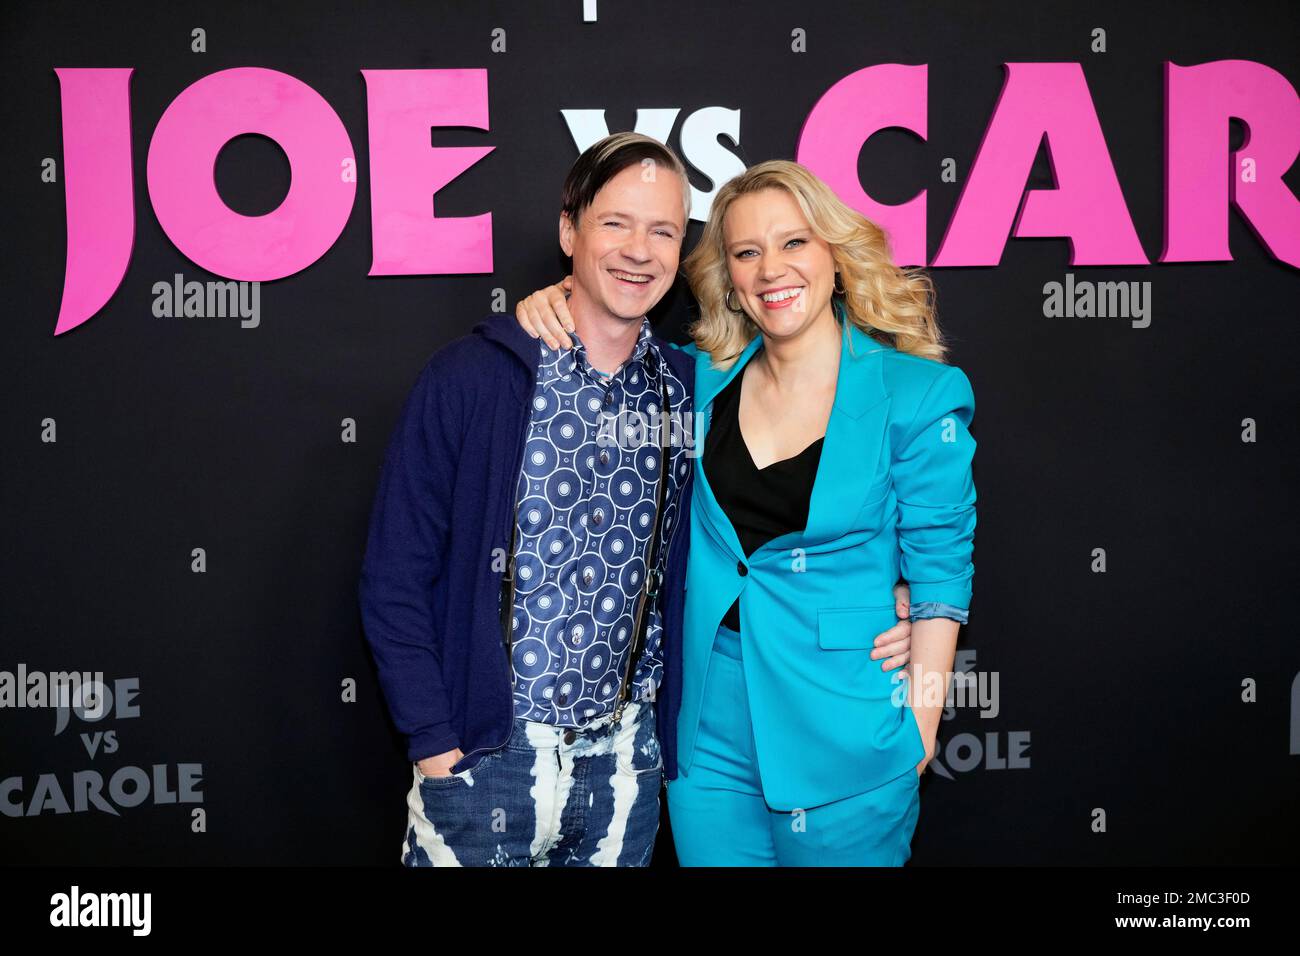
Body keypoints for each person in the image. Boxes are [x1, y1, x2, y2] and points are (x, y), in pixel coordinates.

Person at [514, 159, 975, 866]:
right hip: (708, 732)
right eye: (747, 252)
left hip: (846, 724)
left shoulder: (917, 396)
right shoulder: (694, 381)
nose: (771, 270)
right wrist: (554, 299)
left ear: (834, 254)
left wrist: (922, 723)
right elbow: (605, 332)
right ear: (728, 275)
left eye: (794, 243)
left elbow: (941, 580)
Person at [358, 132, 697, 866]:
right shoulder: (475, 376)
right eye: (616, 223)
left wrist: (891, 590)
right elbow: (395, 575)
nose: (639, 249)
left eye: (663, 230)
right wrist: (437, 746)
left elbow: (782, 486)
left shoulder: (687, 389)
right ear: (569, 228)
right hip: (486, 759)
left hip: (625, 767)